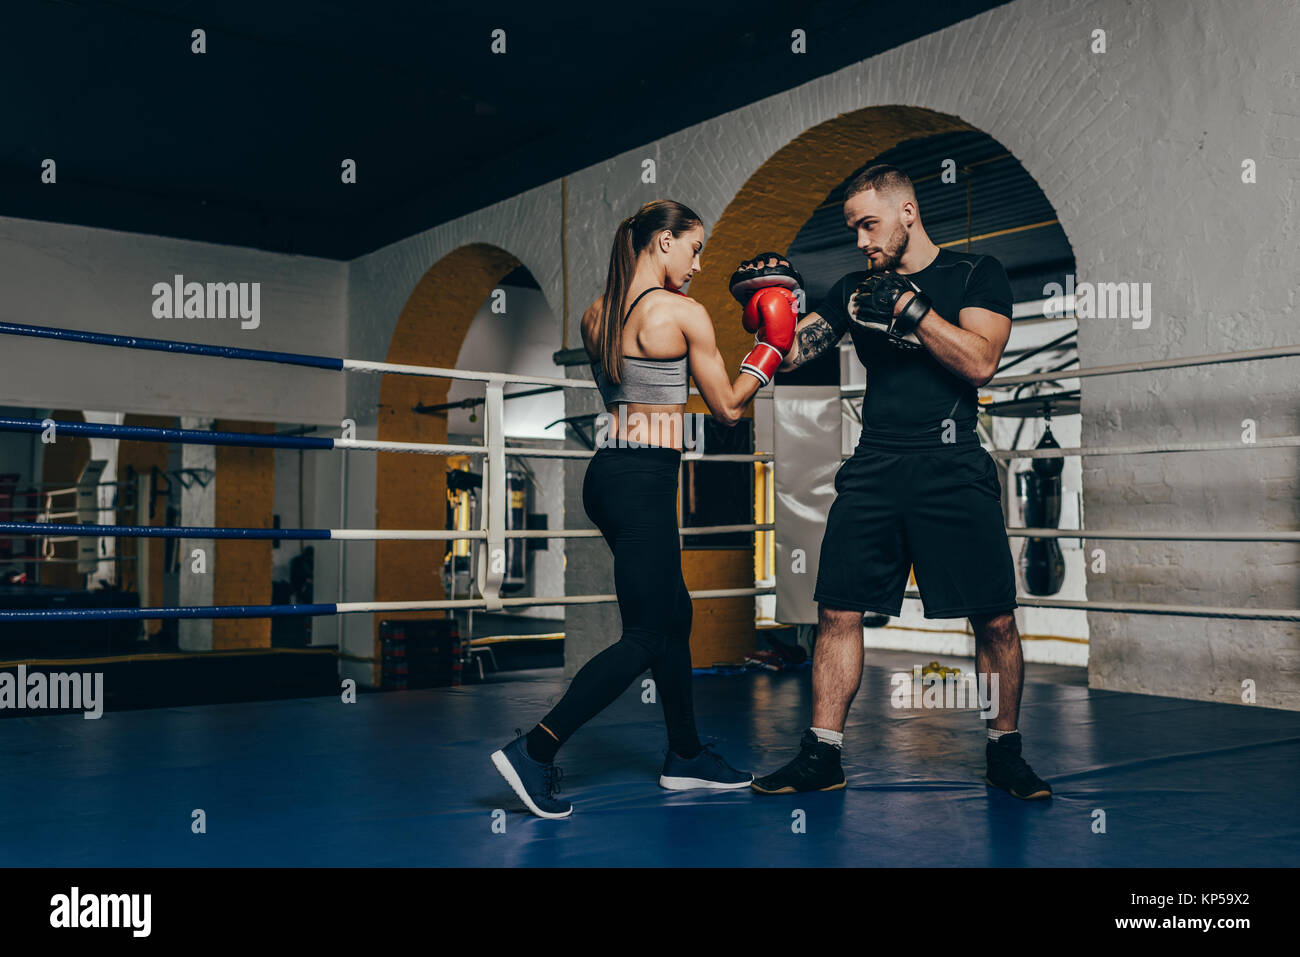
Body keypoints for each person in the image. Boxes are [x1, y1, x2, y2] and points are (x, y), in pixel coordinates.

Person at [751, 165, 1052, 801]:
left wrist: (914, 310)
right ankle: (822, 754)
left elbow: (980, 362)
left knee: (994, 618)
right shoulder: (854, 288)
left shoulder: (976, 274)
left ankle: (1005, 752)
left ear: (907, 213)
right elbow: (800, 350)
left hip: (952, 466)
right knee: (837, 610)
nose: (861, 240)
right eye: (854, 228)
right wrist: (770, 316)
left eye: (869, 224)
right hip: (876, 466)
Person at [491, 199, 799, 818]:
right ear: (663, 242)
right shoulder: (680, 313)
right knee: (649, 634)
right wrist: (771, 346)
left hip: (608, 475)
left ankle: (685, 756)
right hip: (643, 481)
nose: (697, 263)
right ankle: (536, 748)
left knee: (673, 616)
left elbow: (637, 391)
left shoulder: (595, 314)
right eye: (694, 247)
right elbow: (729, 408)